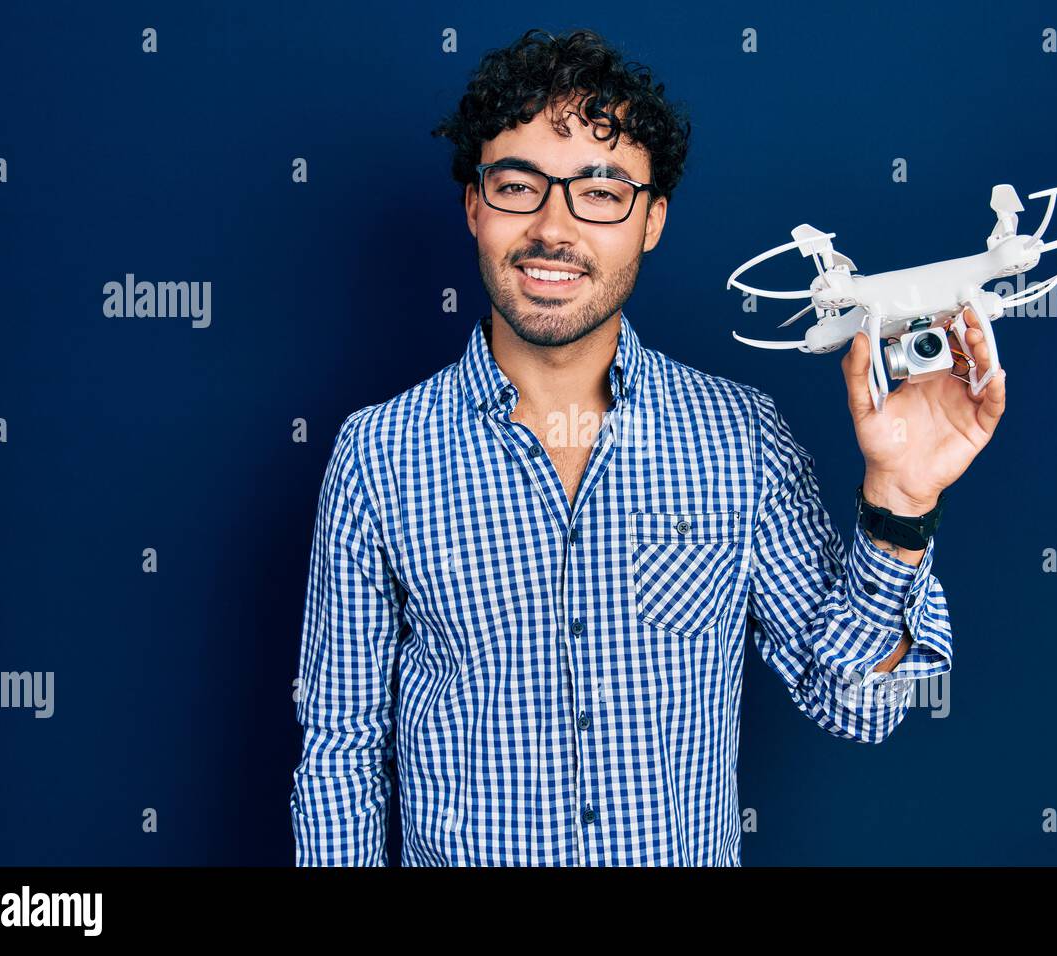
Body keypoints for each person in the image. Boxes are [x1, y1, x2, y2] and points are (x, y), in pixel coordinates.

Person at [289, 27, 1005, 866]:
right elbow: (340, 752)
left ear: (652, 220)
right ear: (476, 207)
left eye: (600, 192)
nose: (553, 228)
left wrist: (902, 502)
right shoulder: (379, 455)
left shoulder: (740, 439)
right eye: (518, 185)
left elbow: (861, 704)